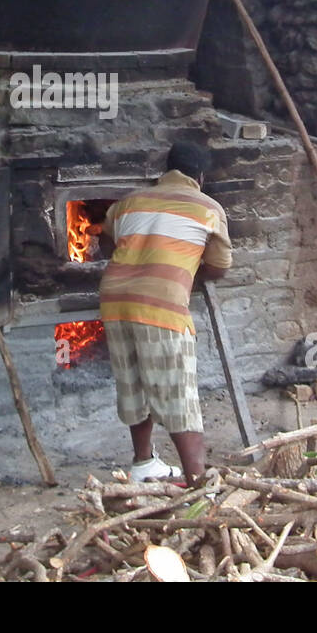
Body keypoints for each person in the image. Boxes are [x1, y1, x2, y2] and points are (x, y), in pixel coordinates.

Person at [98, 140, 232, 484]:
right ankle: (197, 482)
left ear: (165, 168)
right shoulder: (208, 208)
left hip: (114, 299)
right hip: (162, 305)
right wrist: (185, 270)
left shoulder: (129, 202)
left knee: (134, 382)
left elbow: (105, 243)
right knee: (179, 395)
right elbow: (219, 267)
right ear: (200, 176)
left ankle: (144, 463)